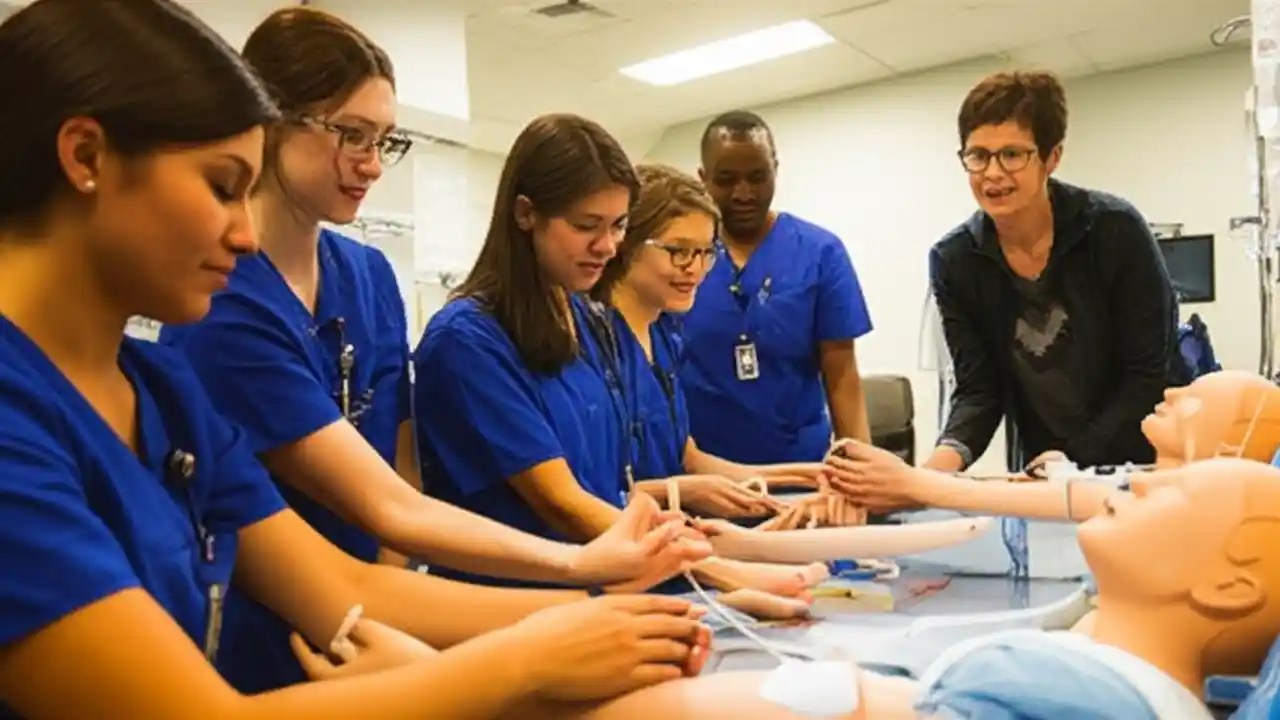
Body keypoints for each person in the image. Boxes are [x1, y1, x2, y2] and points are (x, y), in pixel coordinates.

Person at [0, 1, 709, 718]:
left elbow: (346, 585)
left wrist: (595, 608)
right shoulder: (22, 409)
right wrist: (521, 658)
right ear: (86, 158)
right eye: (222, 187)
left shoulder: (161, 393)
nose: (244, 235)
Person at [413, 115, 819, 601]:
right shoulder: (468, 342)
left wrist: (707, 538)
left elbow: (616, 489)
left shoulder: (586, 321)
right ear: (525, 214)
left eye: (618, 226)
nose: (606, 247)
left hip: (610, 588)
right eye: (587, 226)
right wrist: (720, 572)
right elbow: (563, 504)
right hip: (522, 605)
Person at [922, 70, 1182, 481]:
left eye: (1012, 154)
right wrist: (936, 468)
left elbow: (1146, 376)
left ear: (1052, 157)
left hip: (1148, 465)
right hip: (1048, 470)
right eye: (977, 155)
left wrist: (1072, 458)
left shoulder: (1113, 229)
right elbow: (980, 390)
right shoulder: (955, 261)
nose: (992, 173)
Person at [587, 162, 825, 519]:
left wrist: (808, 476)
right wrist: (679, 492)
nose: (695, 268)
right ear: (626, 244)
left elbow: (690, 459)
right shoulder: (588, 345)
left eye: (706, 252)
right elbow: (584, 490)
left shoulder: (663, 338)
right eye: (678, 251)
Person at [678, 110, 873, 467]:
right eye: (726, 180)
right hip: (702, 478)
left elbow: (842, 371)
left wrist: (859, 470)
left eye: (757, 177)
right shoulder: (680, 259)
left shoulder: (820, 252)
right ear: (703, 179)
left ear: (775, 170)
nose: (743, 193)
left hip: (800, 471)